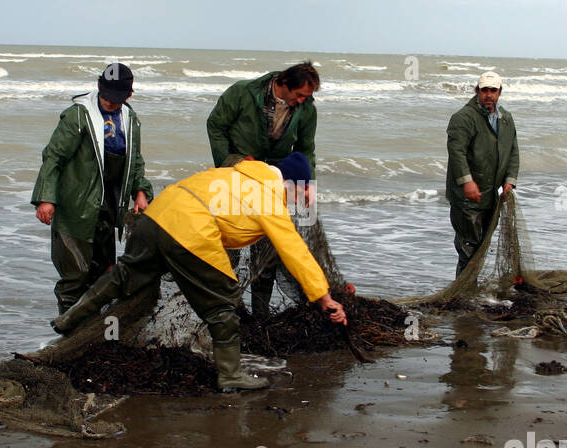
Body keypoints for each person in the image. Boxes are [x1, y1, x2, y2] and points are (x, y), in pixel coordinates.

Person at [50, 153, 347, 392]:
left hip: (157, 216)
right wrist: (322, 297)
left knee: (124, 275)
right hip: (189, 232)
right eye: (304, 189)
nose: (304, 196)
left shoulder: (236, 172)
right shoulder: (268, 195)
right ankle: (230, 376)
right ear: (292, 183)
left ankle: (70, 318)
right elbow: (293, 249)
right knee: (222, 305)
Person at [32, 62, 155, 315]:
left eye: (117, 97)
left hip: (109, 204)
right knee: (75, 272)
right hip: (74, 203)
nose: (110, 101)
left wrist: (140, 191)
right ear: (99, 86)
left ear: (129, 95)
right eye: (107, 95)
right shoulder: (78, 116)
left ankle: (99, 326)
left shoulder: (131, 120)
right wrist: (46, 199)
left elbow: (135, 160)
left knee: (104, 270)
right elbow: (53, 157)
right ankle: (67, 329)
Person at [206, 61, 320, 315]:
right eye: (299, 94)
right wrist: (230, 162)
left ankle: (260, 311)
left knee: (267, 251)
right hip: (234, 180)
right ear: (283, 83)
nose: (302, 101)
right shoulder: (242, 92)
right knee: (229, 246)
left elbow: (305, 149)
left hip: (272, 182)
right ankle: (227, 308)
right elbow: (215, 126)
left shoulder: (306, 108)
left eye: (307, 96)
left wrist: (306, 184)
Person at [445, 70, 520, 276]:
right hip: (465, 198)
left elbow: (512, 150)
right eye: (484, 90)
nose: (489, 94)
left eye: (493, 90)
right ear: (477, 91)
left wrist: (509, 181)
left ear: (500, 92)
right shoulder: (463, 118)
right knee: (468, 246)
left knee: (480, 246)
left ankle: (470, 289)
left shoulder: (506, 118)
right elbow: (456, 152)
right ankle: (463, 292)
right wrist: (467, 181)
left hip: (490, 196)